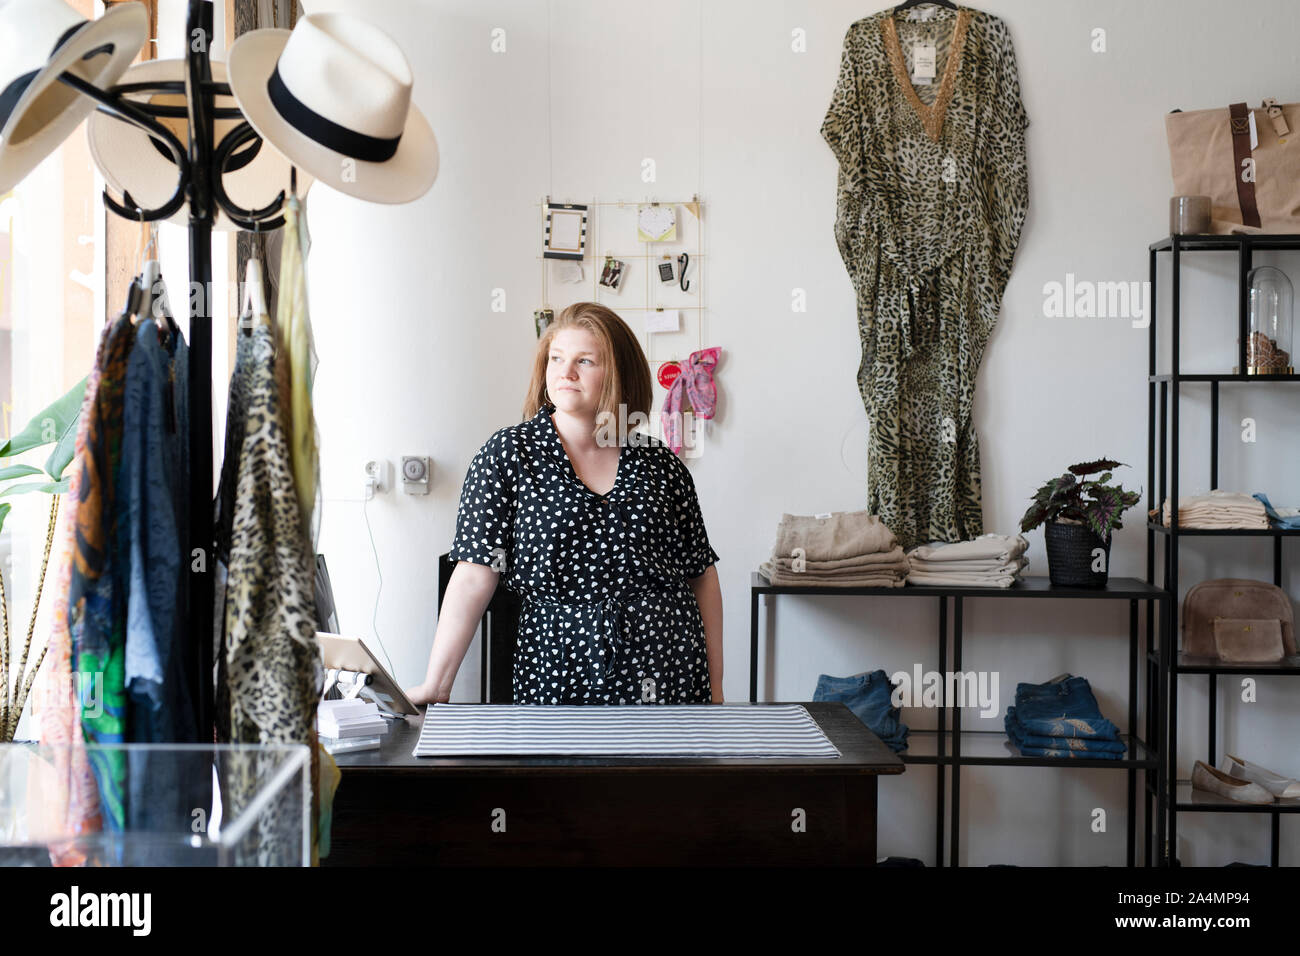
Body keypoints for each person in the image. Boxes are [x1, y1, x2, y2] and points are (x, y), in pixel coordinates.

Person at [406, 302, 723, 706]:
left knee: (661, 772)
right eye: (556, 358)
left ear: (619, 373)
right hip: (556, 671)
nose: (565, 372)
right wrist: (437, 685)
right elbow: (473, 575)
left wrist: (715, 689)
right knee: (559, 771)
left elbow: (702, 576)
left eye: (584, 361)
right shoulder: (509, 455)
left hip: (669, 670)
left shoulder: (660, 463)